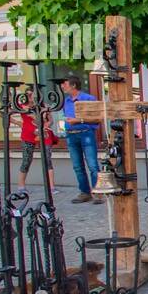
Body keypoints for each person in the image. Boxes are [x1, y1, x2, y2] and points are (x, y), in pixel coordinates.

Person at [60, 76, 102, 204]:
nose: (62, 86)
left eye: (65, 84)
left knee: (93, 165)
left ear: (73, 85)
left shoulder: (88, 99)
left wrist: (79, 120)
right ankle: (85, 192)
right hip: (71, 135)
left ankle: (97, 193)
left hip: (86, 134)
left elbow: (97, 119)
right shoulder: (66, 101)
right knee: (77, 166)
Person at [10, 89, 59, 194]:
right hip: (28, 135)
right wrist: (14, 120)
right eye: (27, 94)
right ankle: (21, 186)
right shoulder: (22, 106)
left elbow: (50, 120)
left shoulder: (43, 107)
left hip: (43, 134)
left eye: (31, 94)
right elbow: (10, 109)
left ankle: (51, 187)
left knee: (47, 160)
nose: (29, 96)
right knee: (26, 160)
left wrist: (46, 125)